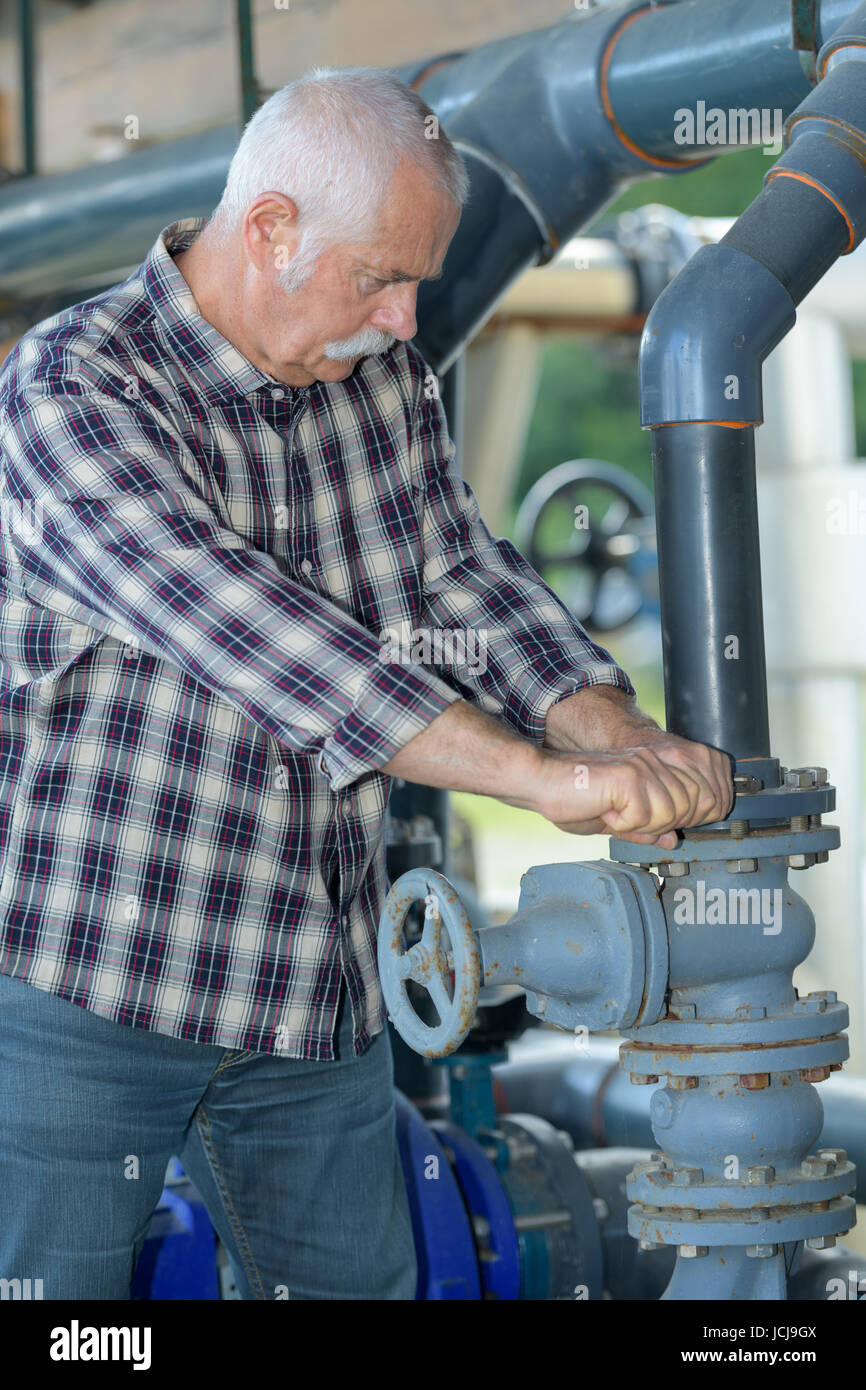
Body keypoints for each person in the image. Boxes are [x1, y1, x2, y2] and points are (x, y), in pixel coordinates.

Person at [0, 66, 732, 1301]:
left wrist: (606, 725)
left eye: (415, 283)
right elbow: (267, 644)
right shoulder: (71, 391)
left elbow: (457, 578)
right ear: (271, 228)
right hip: (95, 986)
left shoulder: (377, 380)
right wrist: (533, 779)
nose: (403, 322)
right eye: (379, 277)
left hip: (311, 985)